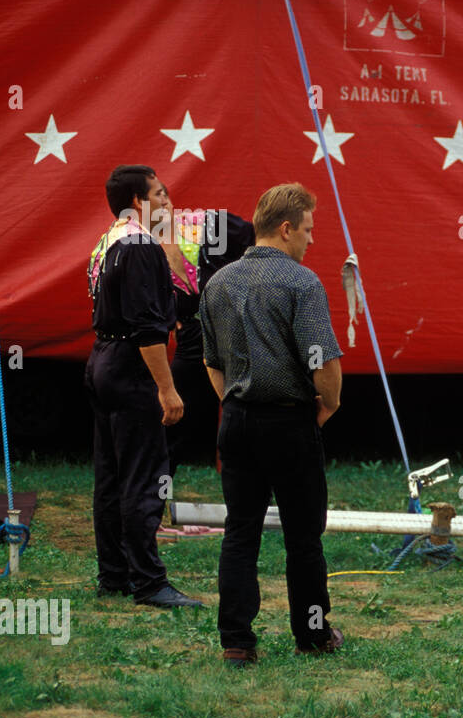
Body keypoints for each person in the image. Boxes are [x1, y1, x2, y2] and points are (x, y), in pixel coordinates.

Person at [200, 182, 344, 666]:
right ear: (286, 229)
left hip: (237, 422)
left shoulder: (217, 283)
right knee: (304, 537)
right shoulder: (302, 284)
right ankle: (313, 635)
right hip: (289, 424)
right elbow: (323, 363)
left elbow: (211, 361)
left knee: (240, 532)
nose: (310, 240)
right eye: (307, 230)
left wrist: (236, 404)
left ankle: (236, 642)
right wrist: (326, 406)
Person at [85, 164, 202, 608]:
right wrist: (167, 389)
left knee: (111, 476)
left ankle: (114, 575)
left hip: (102, 359)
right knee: (143, 477)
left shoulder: (108, 240)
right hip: (131, 364)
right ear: (139, 201)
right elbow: (148, 328)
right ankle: (149, 583)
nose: (169, 202)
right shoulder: (139, 246)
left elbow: (163, 305)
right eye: (161, 194)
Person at [159, 202, 255, 484]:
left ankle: (250, 497)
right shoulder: (138, 236)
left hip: (223, 329)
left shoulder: (216, 224)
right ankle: (152, 506)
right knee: (174, 422)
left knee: (244, 416)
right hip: (195, 332)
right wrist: (170, 315)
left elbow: (255, 251)